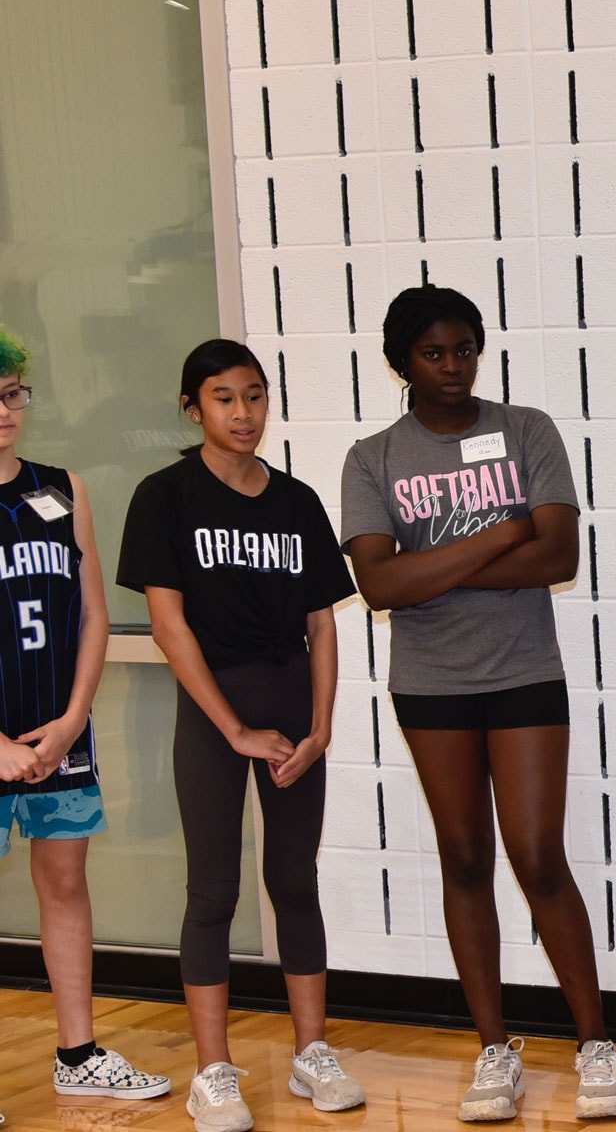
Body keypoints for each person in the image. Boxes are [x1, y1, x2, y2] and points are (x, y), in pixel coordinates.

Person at [340, 286, 616, 1122]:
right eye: (433, 353)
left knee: (537, 855)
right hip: (430, 682)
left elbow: (557, 555)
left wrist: (431, 568)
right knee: (464, 857)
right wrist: (502, 531)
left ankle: (595, 1043)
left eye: (464, 349)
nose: (453, 366)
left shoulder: (526, 430)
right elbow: (379, 583)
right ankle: (495, 1049)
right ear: (401, 362)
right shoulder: (372, 457)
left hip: (523, 671)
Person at [117, 340, 363, 1132]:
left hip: (290, 705)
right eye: (223, 398)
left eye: (254, 395)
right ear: (192, 409)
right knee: (214, 889)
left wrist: (319, 727)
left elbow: (322, 625)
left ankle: (312, 1051)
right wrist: (234, 728)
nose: (243, 412)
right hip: (213, 710)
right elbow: (169, 625)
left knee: (295, 878)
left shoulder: (296, 501)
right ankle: (213, 1072)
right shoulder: (165, 496)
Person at [0, 324, 173, 1117]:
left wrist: (72, 719)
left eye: (12, 394)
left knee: (66, 880)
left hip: (57, 729)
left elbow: (95, 614)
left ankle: (78, 1054)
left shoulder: (63, 488)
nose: (5, 411)